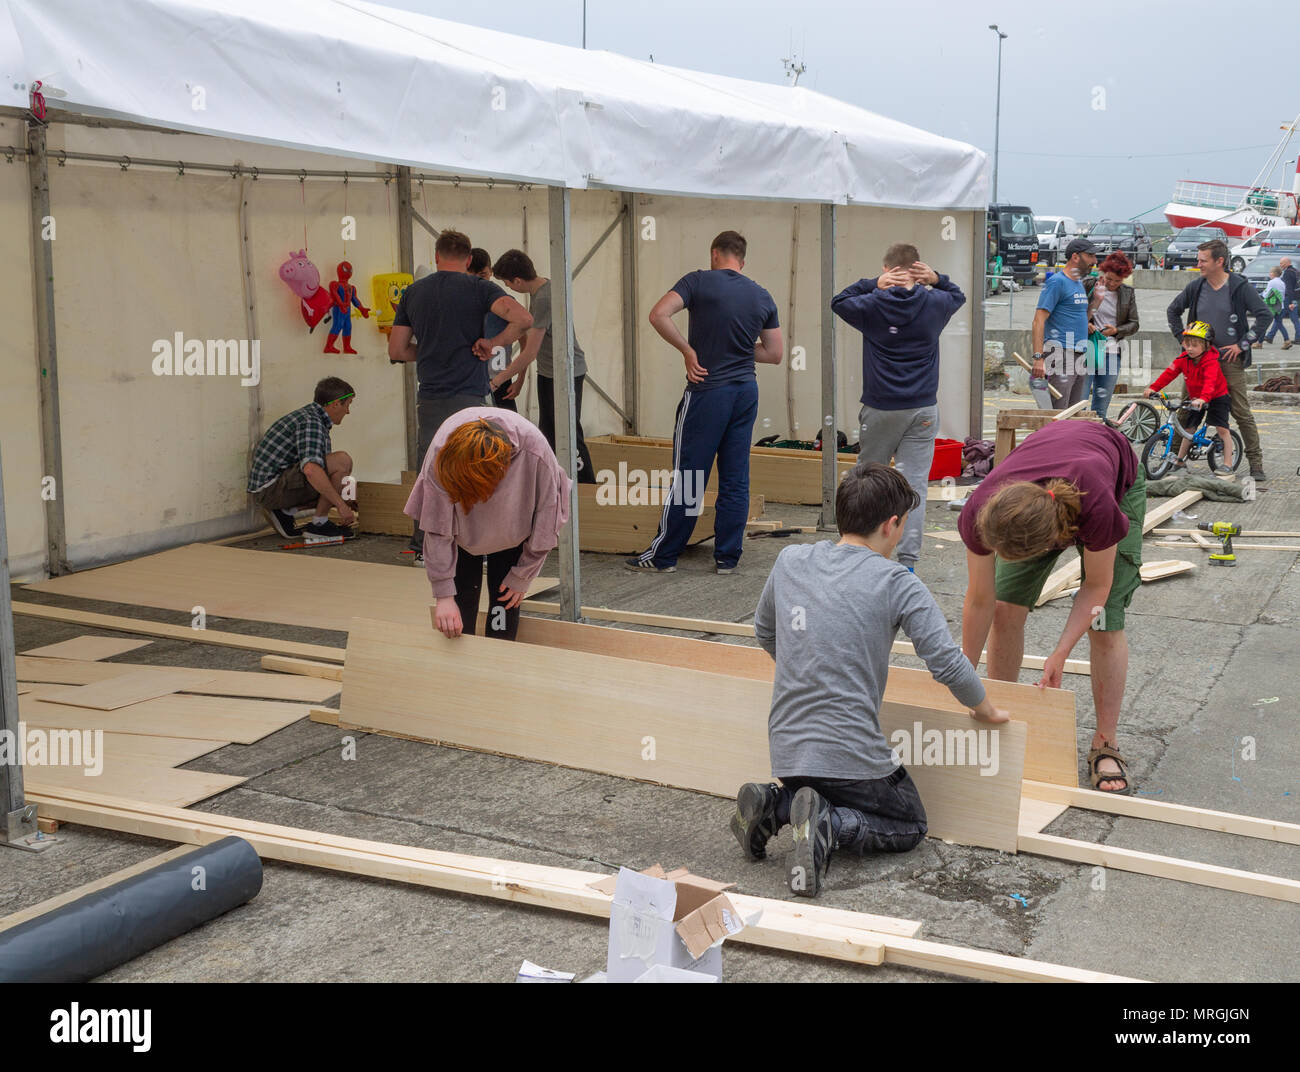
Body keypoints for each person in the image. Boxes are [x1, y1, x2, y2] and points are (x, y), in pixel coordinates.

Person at [735, 464, 1007, 898]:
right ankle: (829, 825)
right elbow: (947, 663)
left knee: (820, 789)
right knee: (910, 823)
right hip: (850, 760)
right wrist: (984, 707)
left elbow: (765, 632)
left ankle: (778, 804)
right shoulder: (898, 582)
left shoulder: (790, 560)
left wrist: (806, 663)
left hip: (787, 753)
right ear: (892, 524)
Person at [959, 421, 1144, 794]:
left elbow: (1096, 587)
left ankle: (1105, 743)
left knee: (1105, 624)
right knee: (1005, 608)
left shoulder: (1099, 509)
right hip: (1047, 471)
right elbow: (980, 601)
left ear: (1055, 540)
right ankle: (999, 719)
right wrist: (962, 681)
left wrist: (1060, 653)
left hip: (1110, 476)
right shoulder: (982, 511)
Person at [627, 231, 783, 575]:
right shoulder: (762, 295)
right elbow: (774, 354)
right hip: (745, 392)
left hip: (708, 390)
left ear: (715, 253)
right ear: (742, 260)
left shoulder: (697, 281)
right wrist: (740, 351)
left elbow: (658, 315)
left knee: (690, 476)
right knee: (735, 477)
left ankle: (664, 555)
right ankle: (728, 557)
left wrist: (688, 350)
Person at [388, 230, 533, 562]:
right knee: (474, 468)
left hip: (431, 397)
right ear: (469, 260)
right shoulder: (480, 288)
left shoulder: (413, 293)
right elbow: (523, 319)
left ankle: (425, 546)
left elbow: (396, 349)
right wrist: (493, 344)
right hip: (469, 396)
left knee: (431, 470)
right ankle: (474, 546)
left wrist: (426, 354)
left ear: (437, 256)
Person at [830, 242, 966, 573]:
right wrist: (936, 279)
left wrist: (872, 284)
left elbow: (838, 302)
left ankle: (857, 550)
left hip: (881, 407)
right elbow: (957, 295)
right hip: (922, 408)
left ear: (887, 269)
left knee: (865, 479)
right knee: (914, 484)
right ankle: (907, 563)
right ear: (918, 269)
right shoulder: (936, 302)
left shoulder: (871, 304)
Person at [404, 410, 572, 642]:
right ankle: (461, 673)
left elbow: (548, 518)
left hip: (512, 532)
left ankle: (498, 662)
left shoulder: (536, 453)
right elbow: (438, 528)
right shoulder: (441, 455)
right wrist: (443, 596)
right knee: (459, 607)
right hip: (461, 536)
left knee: (504, 605)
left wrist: (523, 574)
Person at [488, 249, 597, 484]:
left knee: (568, 434)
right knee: (547, 433)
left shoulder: (544, 299)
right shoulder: (543, 288)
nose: (509, 288)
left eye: (507, 283)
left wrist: (498, 379)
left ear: (517, 280)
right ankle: (551, 483)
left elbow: (530, 352)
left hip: (567, 373)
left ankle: (586, 486)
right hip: (548, 371)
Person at [1166, 238, 1271, 481]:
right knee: (1186, 409)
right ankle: (1174, 459)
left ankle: (1256, 463)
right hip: (1198, 361)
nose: (1198, 264)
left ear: (1219, 261)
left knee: (1241, 412)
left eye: (1203, 260)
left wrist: (1242, 344)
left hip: (1228, 361)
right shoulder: (1196, 287)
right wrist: (1183, 340)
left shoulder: (1239, 287)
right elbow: (1173, 310)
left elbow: (1264, 315)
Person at [247, 377, 356, 540]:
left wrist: (347, 497)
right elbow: (311, 470)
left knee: (340, 483)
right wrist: (341, 505)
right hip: (270, 491)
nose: (348, 411)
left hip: (271, 486)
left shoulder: (312, 417)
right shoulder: (311, 422)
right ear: (335, 404)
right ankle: (319, 524)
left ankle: (286, 511)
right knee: (343, 461)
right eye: (348, 405)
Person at [1143, 320, 1234, 475]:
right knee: (1189, 429)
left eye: (1195, 345)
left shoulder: (1211, 361)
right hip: (1197, 399)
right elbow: (1169, 374)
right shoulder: (1183, 359)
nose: (1190, 348)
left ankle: (1227, 464)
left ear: (1206, 345)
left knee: (1222, 429)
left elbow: (1210, 383)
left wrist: (1203, 398)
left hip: (1217, 397)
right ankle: (1180, 461)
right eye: (1187, 344)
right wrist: (1154, 388)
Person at [1031, 238, 1098, 409]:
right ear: (1075, 257)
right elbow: (1038, 320)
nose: (1094, 261)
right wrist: (1038, 358)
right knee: (1058, 413)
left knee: (1072, 415)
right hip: (1060, 354)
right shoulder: (1057, 282)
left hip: (1079, 354)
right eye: (1090, 255)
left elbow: (1081, 317)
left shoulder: (1078, 284)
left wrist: (1097, 302)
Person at [1083, 251, 1140, 418]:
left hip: (1112, 350)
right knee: (1080, 401)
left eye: (1117, 281)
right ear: (1103, 273)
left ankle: (1096, 437)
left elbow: (1134, 323)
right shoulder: (1088, 284)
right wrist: (1085, 323)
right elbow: (1074, 312)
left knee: (1102, 404)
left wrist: (1116, 331)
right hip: (1090, 346)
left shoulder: (1127, 293)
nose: (1113, 284)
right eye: (1109, 279)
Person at [469, 247, 518, 409]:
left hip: (500, 380)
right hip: (472, 380)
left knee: (507, 430)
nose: (478, 280)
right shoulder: (460, 301)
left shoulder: (505, 303)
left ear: (490, 271)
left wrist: (520, 379)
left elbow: (527, 342)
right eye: (472, 275)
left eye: (482, 275)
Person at [1263, 266, 1290, 348]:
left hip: (1272, 307)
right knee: (1279, 324)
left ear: (1274, 273)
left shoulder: (1271, 282)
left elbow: (1266, 295)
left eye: (1270, 272)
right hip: (1280, 306)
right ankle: (1287, 340)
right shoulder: (1282, 283)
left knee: (1264, 324)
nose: (1269, 274)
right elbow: (1283, 296)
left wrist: (1262, 294)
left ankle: (1259, 343)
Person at [1280, 257, 1300, 348]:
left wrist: (1291, 302)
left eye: (1282, 263)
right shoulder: (1296, 271)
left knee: (1293, 318)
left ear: (1288, 263)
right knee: (1293, 318)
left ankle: (1298, 338)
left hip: (1290, 299)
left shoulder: (1287, 273)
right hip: (1296, 298)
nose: (1280, 265)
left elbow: (1289, 289)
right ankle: (1270, 336)